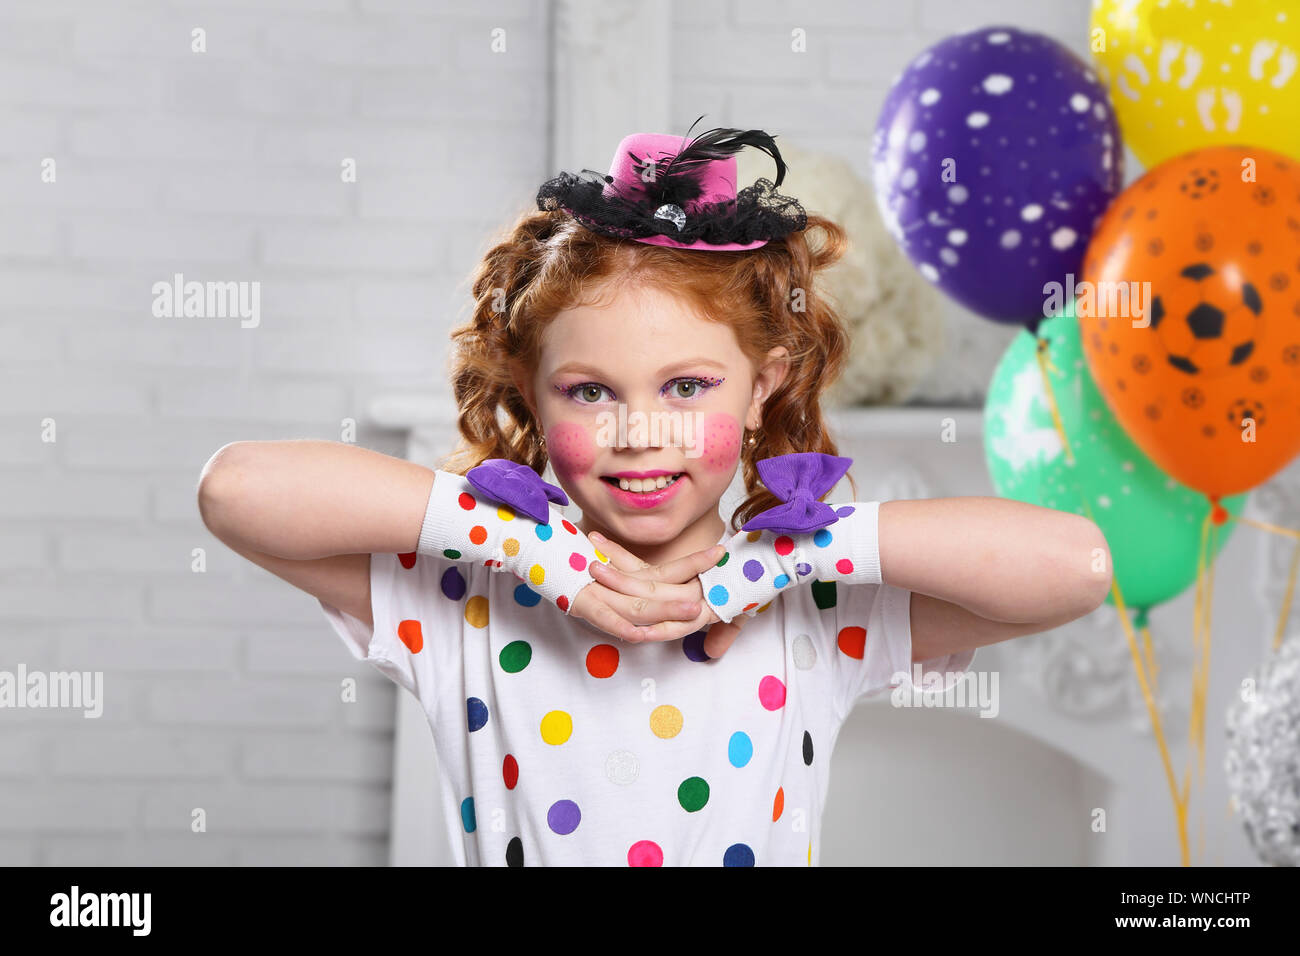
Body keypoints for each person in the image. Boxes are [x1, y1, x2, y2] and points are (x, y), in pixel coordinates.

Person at [197, 120, 1113, 866]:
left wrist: (792, 557)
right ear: (530, 392)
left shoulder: (814, 612)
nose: (640, 431)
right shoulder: (464, 598)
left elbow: (1076, 566)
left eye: (687, 387)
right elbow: (236, 489)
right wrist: (521, 546)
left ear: (763, 388)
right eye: (590, 391)